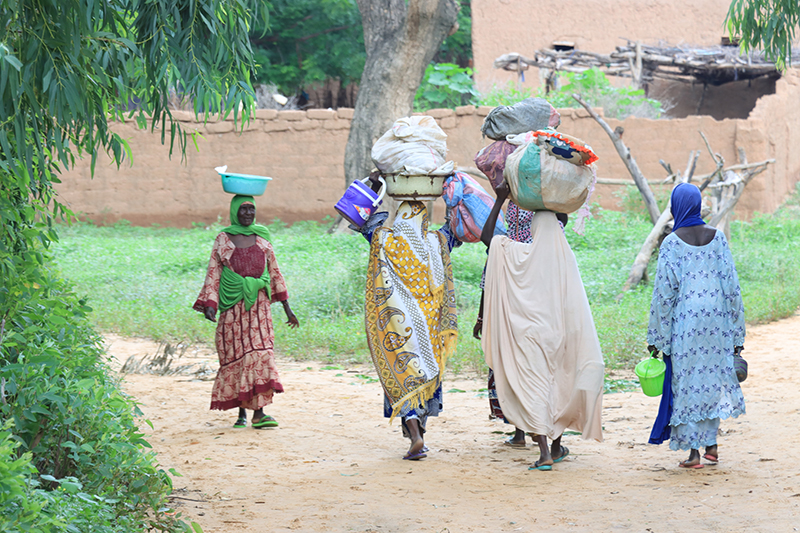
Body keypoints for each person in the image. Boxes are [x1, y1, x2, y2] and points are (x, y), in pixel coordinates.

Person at [479, 181, 605, 471]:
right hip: (558, 334)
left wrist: (499, 200)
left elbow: (488, 238)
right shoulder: (565, 259)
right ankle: (557, 446)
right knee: (557, 386)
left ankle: (545, 453)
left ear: (534, 230)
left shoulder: (519, 253)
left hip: (527, 335)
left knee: (533, 388)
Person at [356, 183, 459, 460]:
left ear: (399, 218)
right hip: (430, 331)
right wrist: (451, 196)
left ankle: (415, 436)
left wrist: (374, 185)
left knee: (404, 376)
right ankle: (419, 436)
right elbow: (455, 230)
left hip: (397, 326)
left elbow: (361, 219)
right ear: (423, 221)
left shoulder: (384, 241)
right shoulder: (436, 243)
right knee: (425, 376)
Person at [647, 182, 746, 468]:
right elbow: (732, 286)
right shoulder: (718, 238)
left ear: (677, 206)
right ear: (698, 205)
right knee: (712, 379)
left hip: (686, 322)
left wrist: (656, 337)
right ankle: (711, 445)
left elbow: (664, 294)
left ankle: (693, 453)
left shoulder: (672, 242)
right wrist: (737, 332)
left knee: (686, 382)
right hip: (717, 320)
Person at [193, 195, 299, 429]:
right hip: (233, 307)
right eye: (243, 209)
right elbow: (213, 271)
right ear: (234, 212)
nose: (249, 213)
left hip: (259, 308)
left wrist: (287, 309)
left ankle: (259, 413)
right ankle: (241, 413)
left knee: (260, 353)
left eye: (252, 209)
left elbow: (274, 272)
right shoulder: (223, 239)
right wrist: (210, 303)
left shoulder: (262, 238)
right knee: (238, 356)